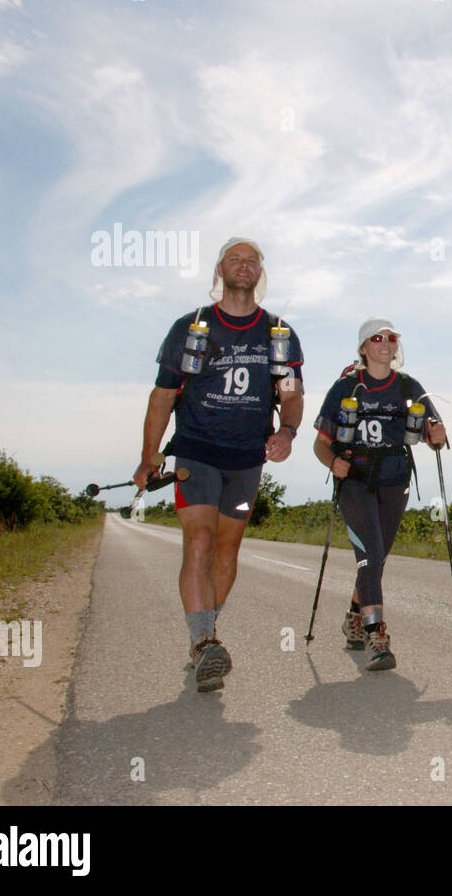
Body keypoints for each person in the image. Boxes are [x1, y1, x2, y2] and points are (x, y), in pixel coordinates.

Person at [136, 237, 304, 692]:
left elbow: (290, 395)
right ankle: (206, 642)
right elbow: (163, 395)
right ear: (219, 271)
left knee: (227, 552)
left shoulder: (278, 335)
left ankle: (202, 638)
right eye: (235, 259)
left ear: (260, 273)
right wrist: (149, 455)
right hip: (196, 451)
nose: (244, 266)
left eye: (252, 261)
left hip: (248, 458)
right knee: (201, 541)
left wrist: (287, 432)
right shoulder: (190, 328)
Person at [312, 317, 447, 672]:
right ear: (363, 348)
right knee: (369, 553)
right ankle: (376, 636)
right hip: (355, 479)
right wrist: (332, 464)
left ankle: (354, 617)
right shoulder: (345, 387)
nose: (385, 343)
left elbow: (434, 433)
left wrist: (438, 435)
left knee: (378, 557)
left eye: (391, 338)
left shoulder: (408, 386)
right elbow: (320, 444)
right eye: (376, 338)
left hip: (395, 478)